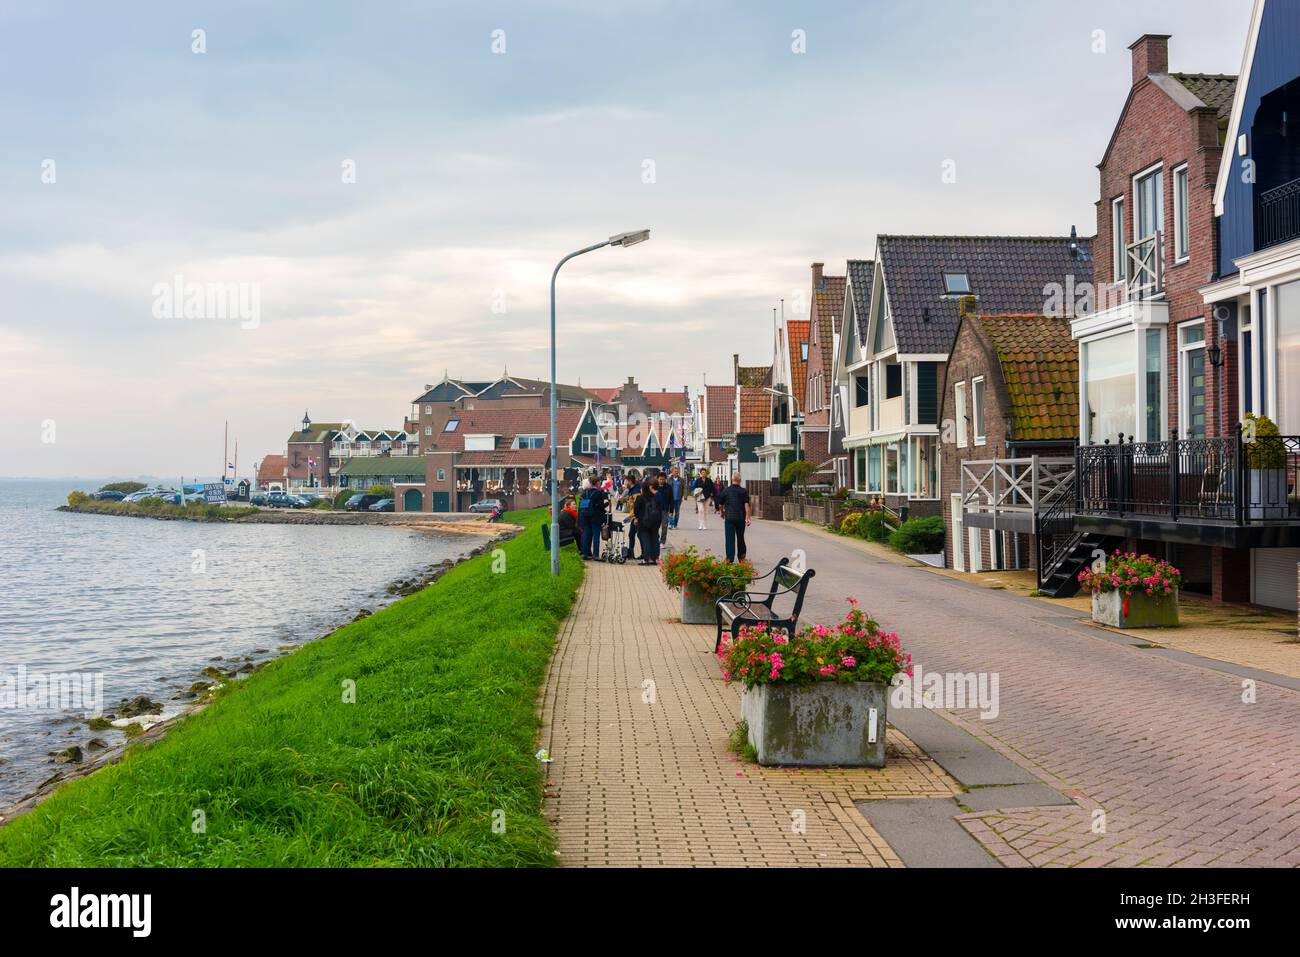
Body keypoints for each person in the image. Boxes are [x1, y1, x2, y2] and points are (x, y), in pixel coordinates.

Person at [718, 473, 751, 562]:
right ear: (740, 481)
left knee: (729, 538)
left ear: (731, 480)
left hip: (729, 518)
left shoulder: (726, 490)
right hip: (740, 518)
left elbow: (720, 504)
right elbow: (746, 505)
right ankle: (741, 556)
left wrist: (722, 512)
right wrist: (748, 518)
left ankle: (729, 558)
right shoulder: (743, 491)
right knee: (740, 537)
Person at [633, 477, 662, 564]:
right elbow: (662, 506)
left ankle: (647, 559)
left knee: (646, 540)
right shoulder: (656, 496)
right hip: (656, 521)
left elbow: (635, 511)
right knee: (655, 539)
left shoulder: (640, 498)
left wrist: (636, 518)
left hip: (643, 522)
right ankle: (655, 558)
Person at [577, 477, 608, 560]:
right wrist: (606, 505)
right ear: (597, 483)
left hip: (586, 516)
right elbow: (601, 506)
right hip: (595, 517)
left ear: (590, 483)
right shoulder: (598, 493)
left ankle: (585, 554)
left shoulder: (585, 493)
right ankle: (595, 555)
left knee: (586, 534)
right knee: (596, 536)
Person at [656, 474, 674, 546]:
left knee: (664, 526)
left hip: (665, 509)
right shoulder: (654, 487)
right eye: (660, 479)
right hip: (655, 510)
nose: (662, 481)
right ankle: (656, 540)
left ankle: (662, 542)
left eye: (663, 479)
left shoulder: (668, 487)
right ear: (657, 479)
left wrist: (671, 511)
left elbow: (671, 500)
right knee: (655, 526)